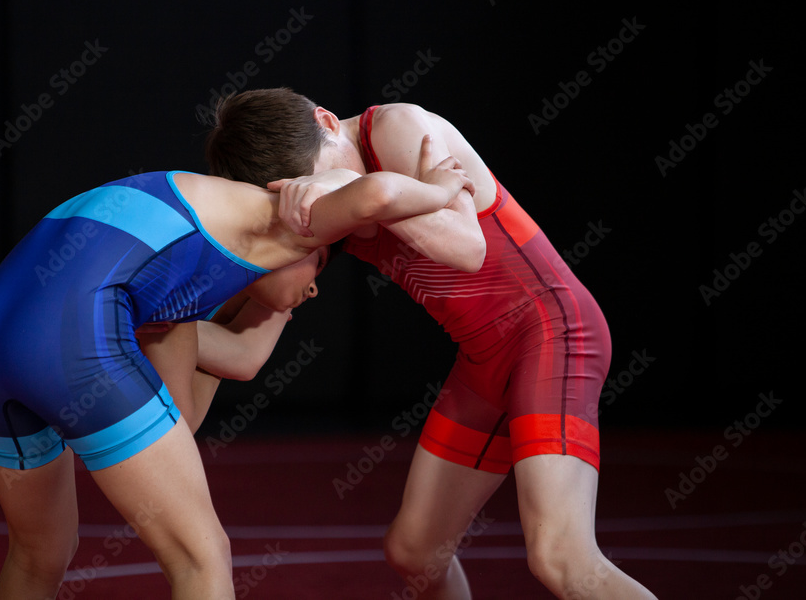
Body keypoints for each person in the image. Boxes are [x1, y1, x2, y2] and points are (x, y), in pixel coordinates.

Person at [204, 88, 657, 599]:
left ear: (328, 121)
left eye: (321, 178)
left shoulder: (396, 128)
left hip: (551, 328)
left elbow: (468, 248)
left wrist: (349, 185)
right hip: (486, 358)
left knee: (561, 558)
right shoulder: (314, 192)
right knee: (415, 553)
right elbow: (252, 334)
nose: (325, 200)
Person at [0, 151, 473, 599]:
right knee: (201, 555)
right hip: (73, 332)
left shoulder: (180, 276)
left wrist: (253, 307)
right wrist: (442, 188)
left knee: (40, 553)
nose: (314, 289)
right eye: (318, 268)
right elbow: (377, 194)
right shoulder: (295, 213)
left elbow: (197, 400)